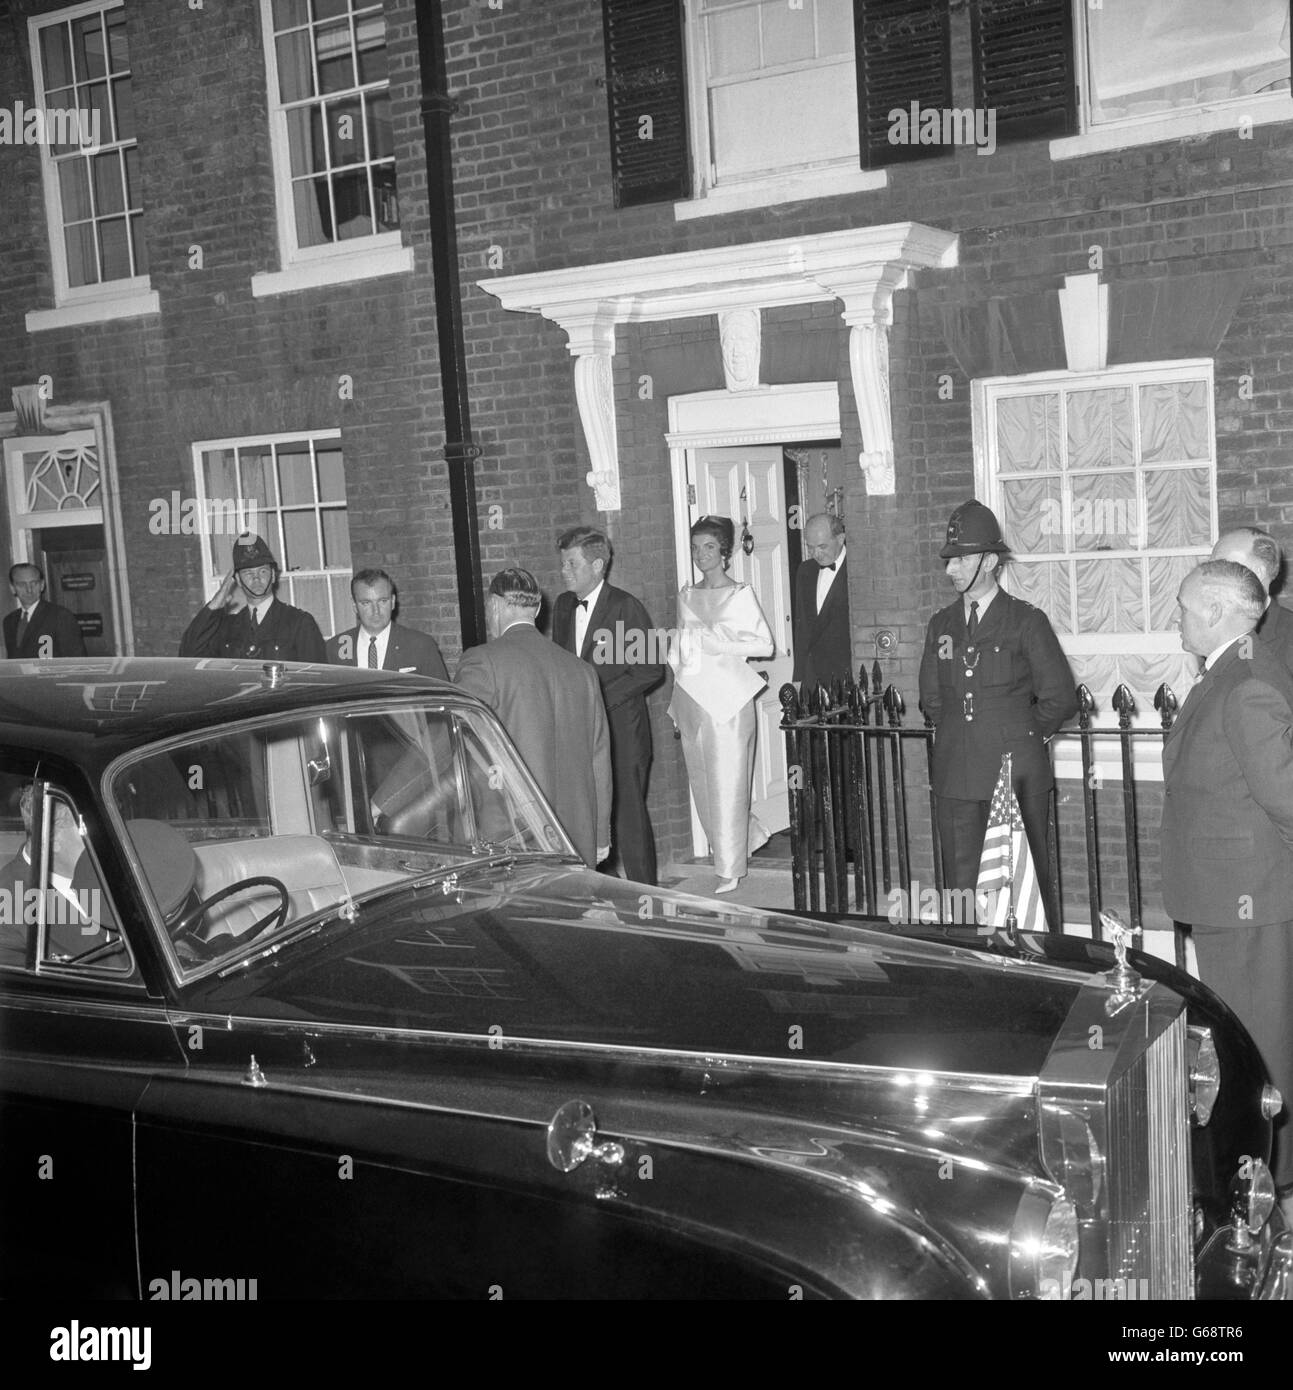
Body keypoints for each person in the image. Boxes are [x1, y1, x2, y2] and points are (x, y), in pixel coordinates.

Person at [1161, 559, 1293, 1198]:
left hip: (1248, 902)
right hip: (1230, 897)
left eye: (1184, 604)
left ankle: (1264, 1184)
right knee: (1243, 1047)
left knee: (1258, 1051)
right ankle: (1256, 1172)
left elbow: (1287, 800)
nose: (1176, 615)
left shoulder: (1244, 685)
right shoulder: (1226, 672)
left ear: (1214, 610)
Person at [918, 500, 1076, 914]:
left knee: (1023, 892)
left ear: (989, 561)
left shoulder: (1026, 621)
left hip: (1016, 775)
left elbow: (1059, 697)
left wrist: (1016, 735)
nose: (951, 569)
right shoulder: (941, 624)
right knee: (964, 893)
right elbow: (932, 699)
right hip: (957, 775)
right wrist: (964, 736)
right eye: (949, 560)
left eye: (962, 559)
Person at [455, 568, 611, 869]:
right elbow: (599, 760)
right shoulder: (582, 671)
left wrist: (386, 799)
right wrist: (601, 833)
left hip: (514, 833)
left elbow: (447, 737)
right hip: (577, 834)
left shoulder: (482, 661)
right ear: (538, 609)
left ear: (495, 605)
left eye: (489, 609)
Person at [667, 515, 774, 895]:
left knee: (728, 785)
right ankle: (743, 841)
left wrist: (718, 642)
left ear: (724, 552)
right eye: (696, 548)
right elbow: (681, 650)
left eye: (709, 547)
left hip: (729, 704)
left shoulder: (739, 594)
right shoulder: (687, 595)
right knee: (703, 786)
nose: (701, 555)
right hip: (694, 700)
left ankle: (730, 867)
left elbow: (765, 646)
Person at [552, 527, 663, 885]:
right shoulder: (564, 607)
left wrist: (598, 699)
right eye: (563, 563)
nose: (564, 571)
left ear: (597, 565)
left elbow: (649, 670)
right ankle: (605, 888)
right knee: (590, 815)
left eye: (572, 563)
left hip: (621, 731)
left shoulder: (625, 606)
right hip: (579, 732)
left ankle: (648, 899)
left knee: (628, 817)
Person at [179, 532, 326, 663]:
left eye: (263, 571)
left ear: (274, 575)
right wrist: (214, 606)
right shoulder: (227, 628)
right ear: (237, 580)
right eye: (248, 573)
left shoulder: (298, 623)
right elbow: (188, 655)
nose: (256, 579)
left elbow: (318, 681)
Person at [0, 788, 106, 962]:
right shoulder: (8, 907)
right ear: (51, 839)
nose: (101, 839)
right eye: (85, 830)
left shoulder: (106, 871)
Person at [326, 568, 448, 679]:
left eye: (383, 601)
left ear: (393, 601)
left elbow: (443, 698)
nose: (376, 611)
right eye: (366, 603)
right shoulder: (334, 648)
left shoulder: (421, 645)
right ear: (355, 606)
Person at [1210, 526, 1293, 674]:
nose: (1211, 576)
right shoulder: (1213, 629)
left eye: (1225, 566)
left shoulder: (1288, 635)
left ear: (1259, 572)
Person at [792, 513, 852, 690]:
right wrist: (798, 677)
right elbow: (801, 630)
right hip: (812, 679)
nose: (816, 554)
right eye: (810, 548)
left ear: (841, 539)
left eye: (822, 546)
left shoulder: (856, 570)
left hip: (846, 678)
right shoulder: (805, 571)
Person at [3, 562, 87, 659]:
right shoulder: (9, 621)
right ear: (13, 588)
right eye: (22, 584)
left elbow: (76, 661)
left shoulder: (60, 616)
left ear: (42, 585)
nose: (29, 589)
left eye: (34, 583)